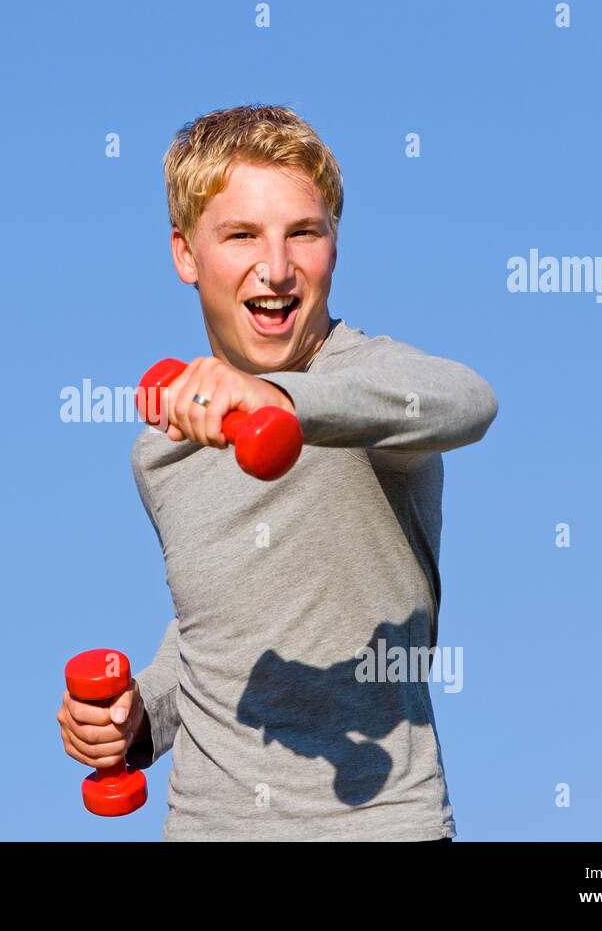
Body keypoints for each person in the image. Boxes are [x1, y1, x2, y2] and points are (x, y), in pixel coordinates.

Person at [56, 104, 498, 840]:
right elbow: (217, 633)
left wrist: (281, 399)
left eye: (304, 232)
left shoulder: (369, 387)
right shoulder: (164, 447)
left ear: (334, 243)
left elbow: (472, 403)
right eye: (241, 236)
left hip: (383, 826)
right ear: (185, 255)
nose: (278, 267)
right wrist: (135, 721)